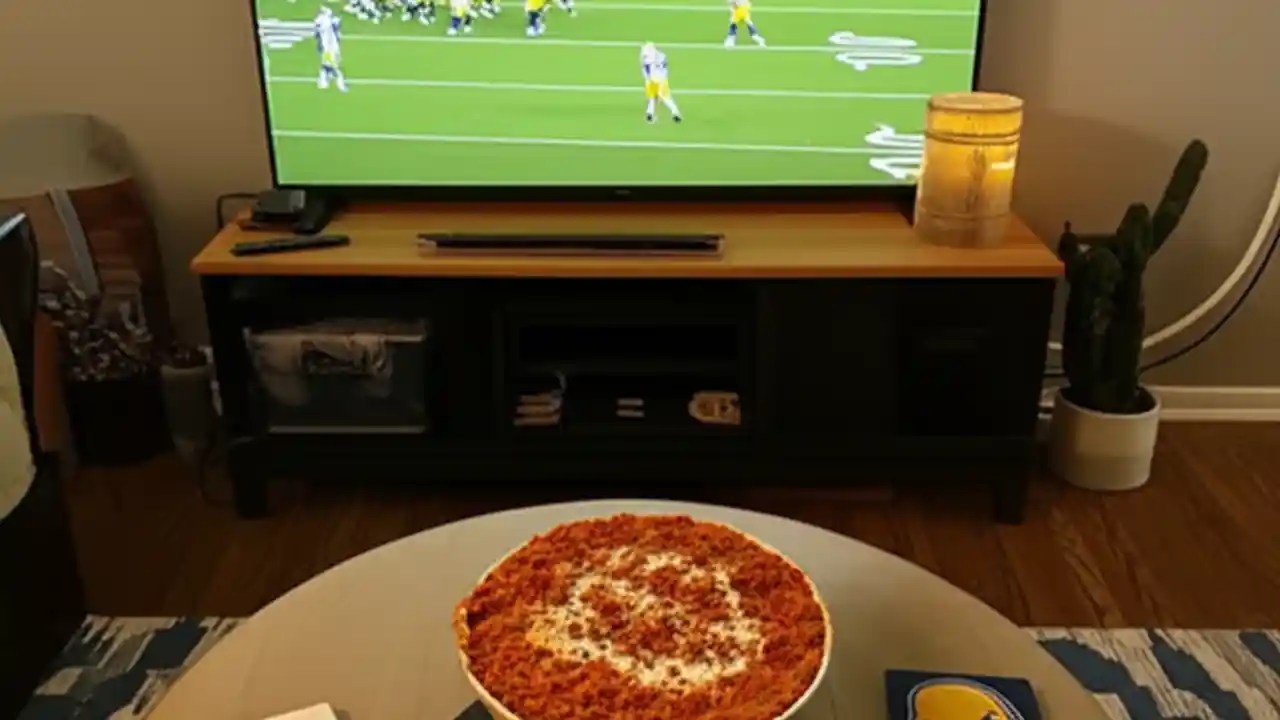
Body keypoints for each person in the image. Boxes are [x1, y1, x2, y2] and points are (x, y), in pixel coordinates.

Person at [640, 42, 682, 123]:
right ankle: (674, 111)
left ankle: (650, 114)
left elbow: (646, 69)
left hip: (652, 80)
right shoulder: (662, 55)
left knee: (652, 98)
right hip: (662, 79)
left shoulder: (647, 60)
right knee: (665, 98)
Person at [315, 7, 349, 92]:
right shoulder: (326, 22)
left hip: (328, 47)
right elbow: (335, 26)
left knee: (328, 66)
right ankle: (339, 85)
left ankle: (324, 81)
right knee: (333, 67)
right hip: (330, 48)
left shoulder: (321, 22)